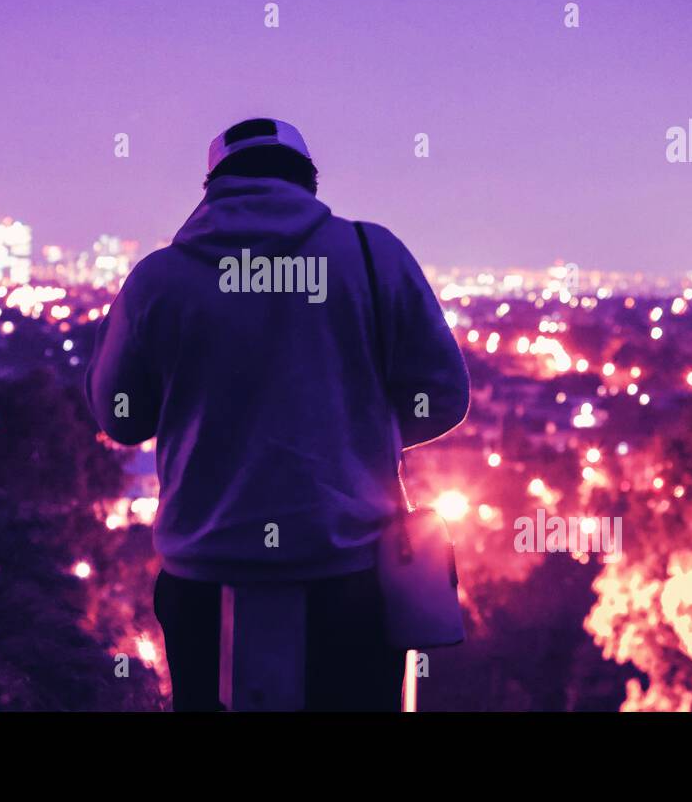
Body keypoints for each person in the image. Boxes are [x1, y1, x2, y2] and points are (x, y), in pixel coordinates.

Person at [85, 118, 470, 710]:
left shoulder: (159, 280)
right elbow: (442, 396)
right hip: (350, 572)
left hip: (205, 577)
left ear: (211, 186)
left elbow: (120, 418)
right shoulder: (373, 256)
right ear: (310, 184)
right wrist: (360, 432)